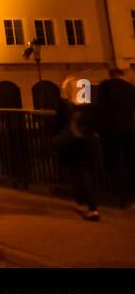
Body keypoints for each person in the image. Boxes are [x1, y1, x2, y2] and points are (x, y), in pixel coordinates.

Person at [56, 76, 100, 220]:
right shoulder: (85, 105)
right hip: (84, 142)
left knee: (79, 174)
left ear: (65, 90)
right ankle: (80, 202)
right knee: (80, 172)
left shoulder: (64, 106)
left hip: (70, 144)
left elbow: (56, 125)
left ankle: (92, 208)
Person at [93, 67, 135, 207]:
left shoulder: (105, 86)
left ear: (111, 75)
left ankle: (121, 194)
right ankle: (132, 193)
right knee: (130, 160)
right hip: (128, 130)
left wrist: (98, 128)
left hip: (110, 131)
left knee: (113, 162)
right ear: (121, 75)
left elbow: (100, 108)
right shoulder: (130, 88)